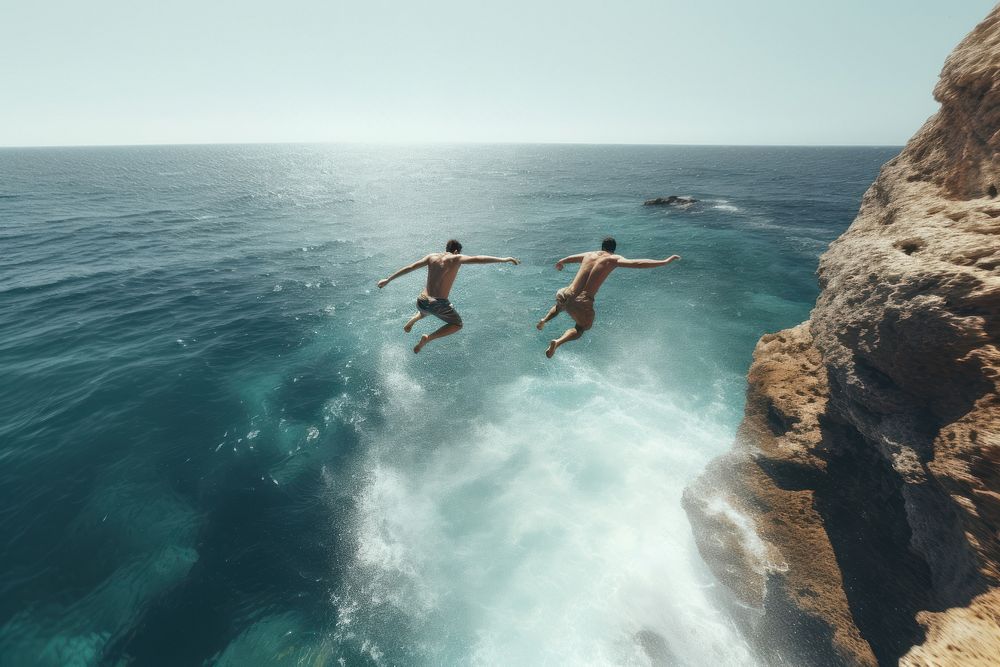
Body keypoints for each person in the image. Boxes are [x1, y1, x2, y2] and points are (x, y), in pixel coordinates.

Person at [537, 236, 680, 358]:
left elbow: (571, 258)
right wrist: (664, 261)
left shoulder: (590, 254)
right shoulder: (613, 259)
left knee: (561, 304)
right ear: (613, 249)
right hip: (582, 301)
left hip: (564, 292)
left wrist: (561, 262)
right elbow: (637, 263)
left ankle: (544, 319)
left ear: (602, 247)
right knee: (582, 327)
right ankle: (558, 342)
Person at [378, 239, 520, 353]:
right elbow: (479, 258)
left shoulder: (431, 257)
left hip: (421, 300)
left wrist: (388, 280)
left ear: (446, 248)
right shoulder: (456, 258)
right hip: (437, 304)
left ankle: (413, 320)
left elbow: (410, 267)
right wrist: (505, 259)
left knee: (426, 308)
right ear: (457, 251)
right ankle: (428, 338)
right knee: (457, 324)